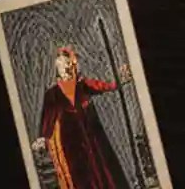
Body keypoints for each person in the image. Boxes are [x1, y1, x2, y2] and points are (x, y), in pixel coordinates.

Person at [30, 47, 132, 189]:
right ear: (57, 68)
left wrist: (120, 81)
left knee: (98, 172)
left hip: (89, 140)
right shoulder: (52, 94)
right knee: (79, 178)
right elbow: (48, 119)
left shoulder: (82, 85)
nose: (67, 68)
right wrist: (42, 138)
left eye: (69, 64)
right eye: (63, 65)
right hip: (69, 144)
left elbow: (104, 86)